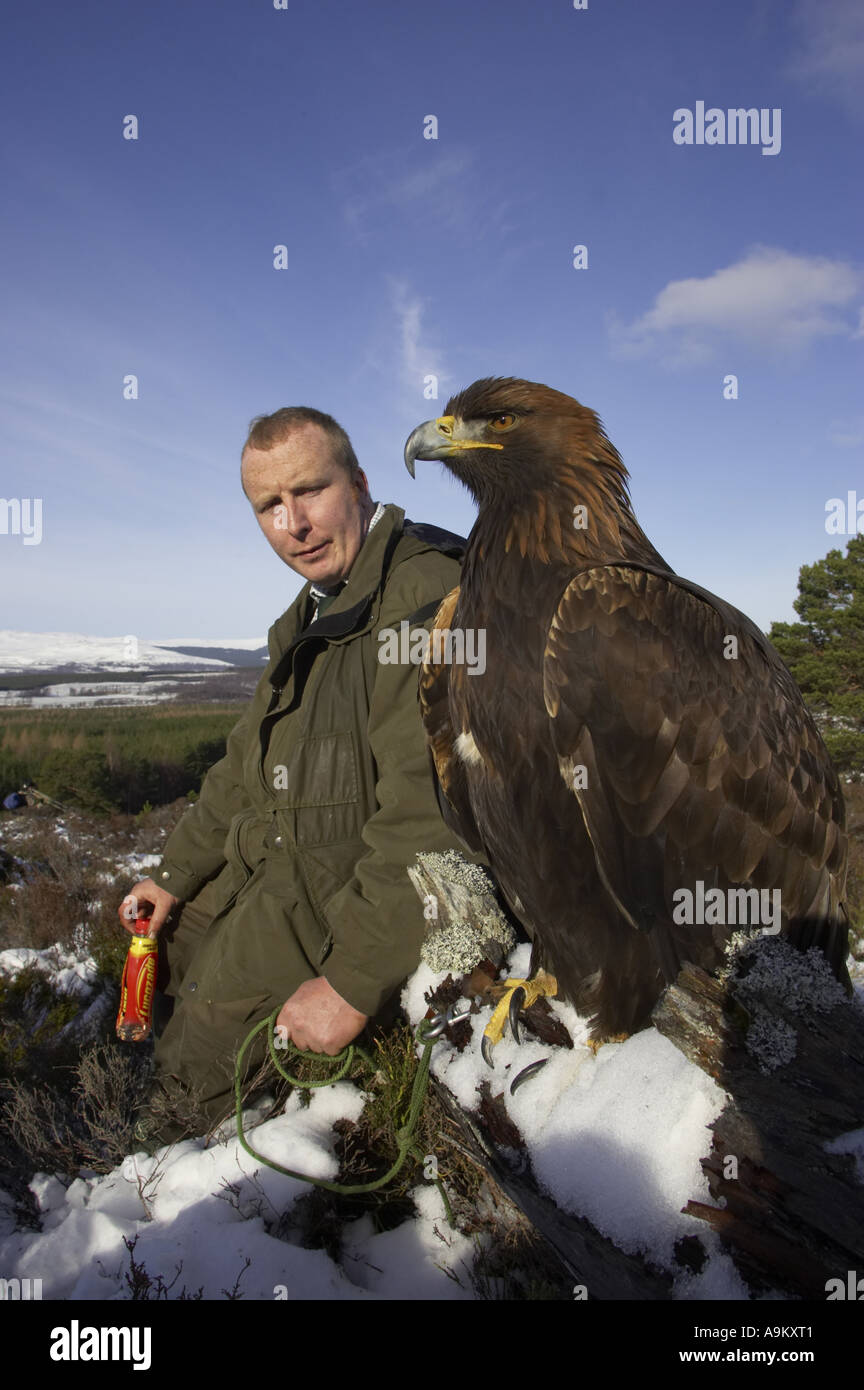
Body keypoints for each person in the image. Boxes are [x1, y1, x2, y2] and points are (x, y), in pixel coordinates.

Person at [119, 406, 471, 1143]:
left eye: (309, 491)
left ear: (361, 483)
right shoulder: (310, 614)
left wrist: (351, 984)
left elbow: (428, 817)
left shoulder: (424, 599)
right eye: (268, 507)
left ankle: (154, 1220)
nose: (293, 524)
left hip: (331, 906)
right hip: (273, 870)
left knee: (186, 1085)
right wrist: (174, 875)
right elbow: (243, 769)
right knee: (167, 962)